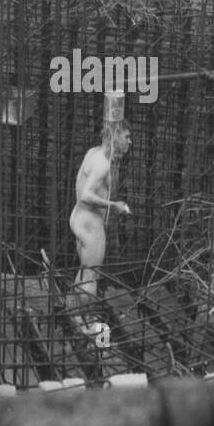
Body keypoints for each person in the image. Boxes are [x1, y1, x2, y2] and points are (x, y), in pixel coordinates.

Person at [69, 120, 132, 301]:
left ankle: (76, 312)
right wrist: (114, 206)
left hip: (79, 218)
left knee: (85, 270)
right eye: (126, 137)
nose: (129, 142)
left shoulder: (93, 153)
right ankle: (88, 323)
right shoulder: (102, 164)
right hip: (91, 224)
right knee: (92, 276)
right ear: (114, 136)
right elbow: (86, 195)